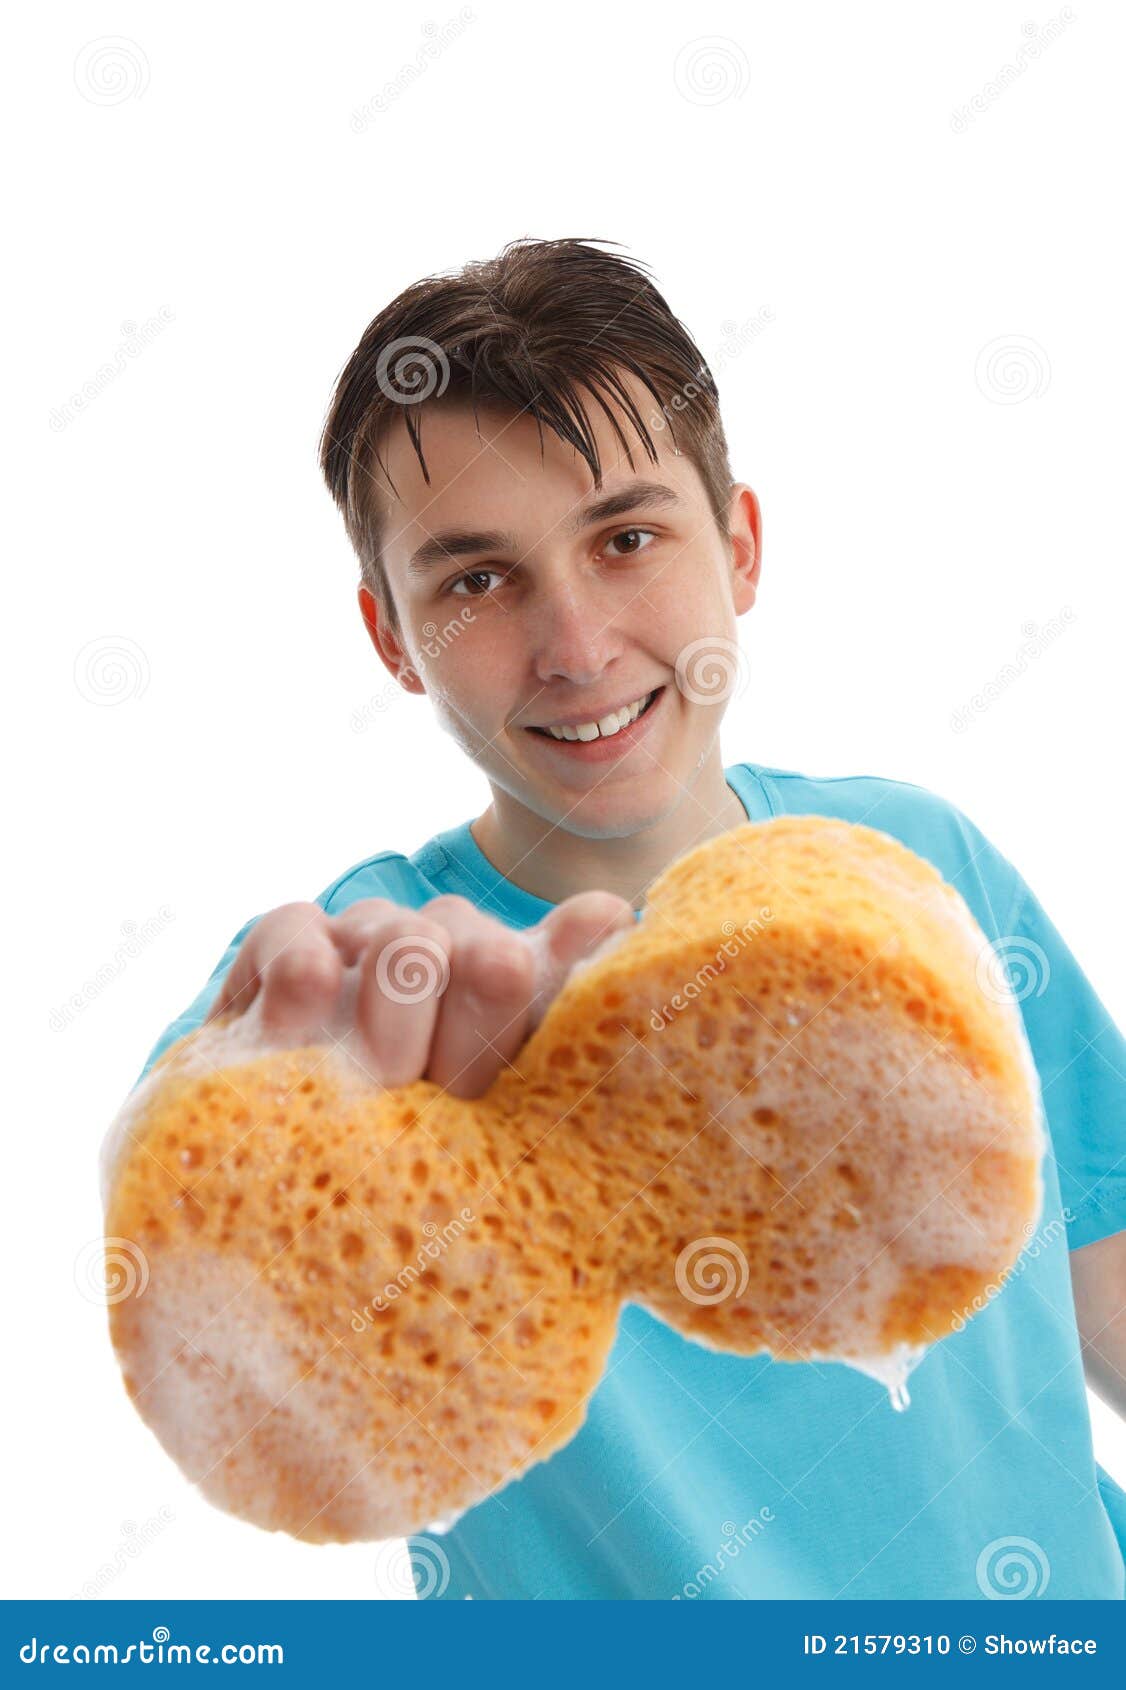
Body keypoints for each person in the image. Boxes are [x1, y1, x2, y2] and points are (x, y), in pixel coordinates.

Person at [132, 237, 1126, 1600]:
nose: (576, 644)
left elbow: (1105, 1280)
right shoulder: (372, 981)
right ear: (390, 635)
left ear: (740, 547)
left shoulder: (916, 863)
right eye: (474, 579)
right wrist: (293, 1106)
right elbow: (221, 1302)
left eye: (625, 537)